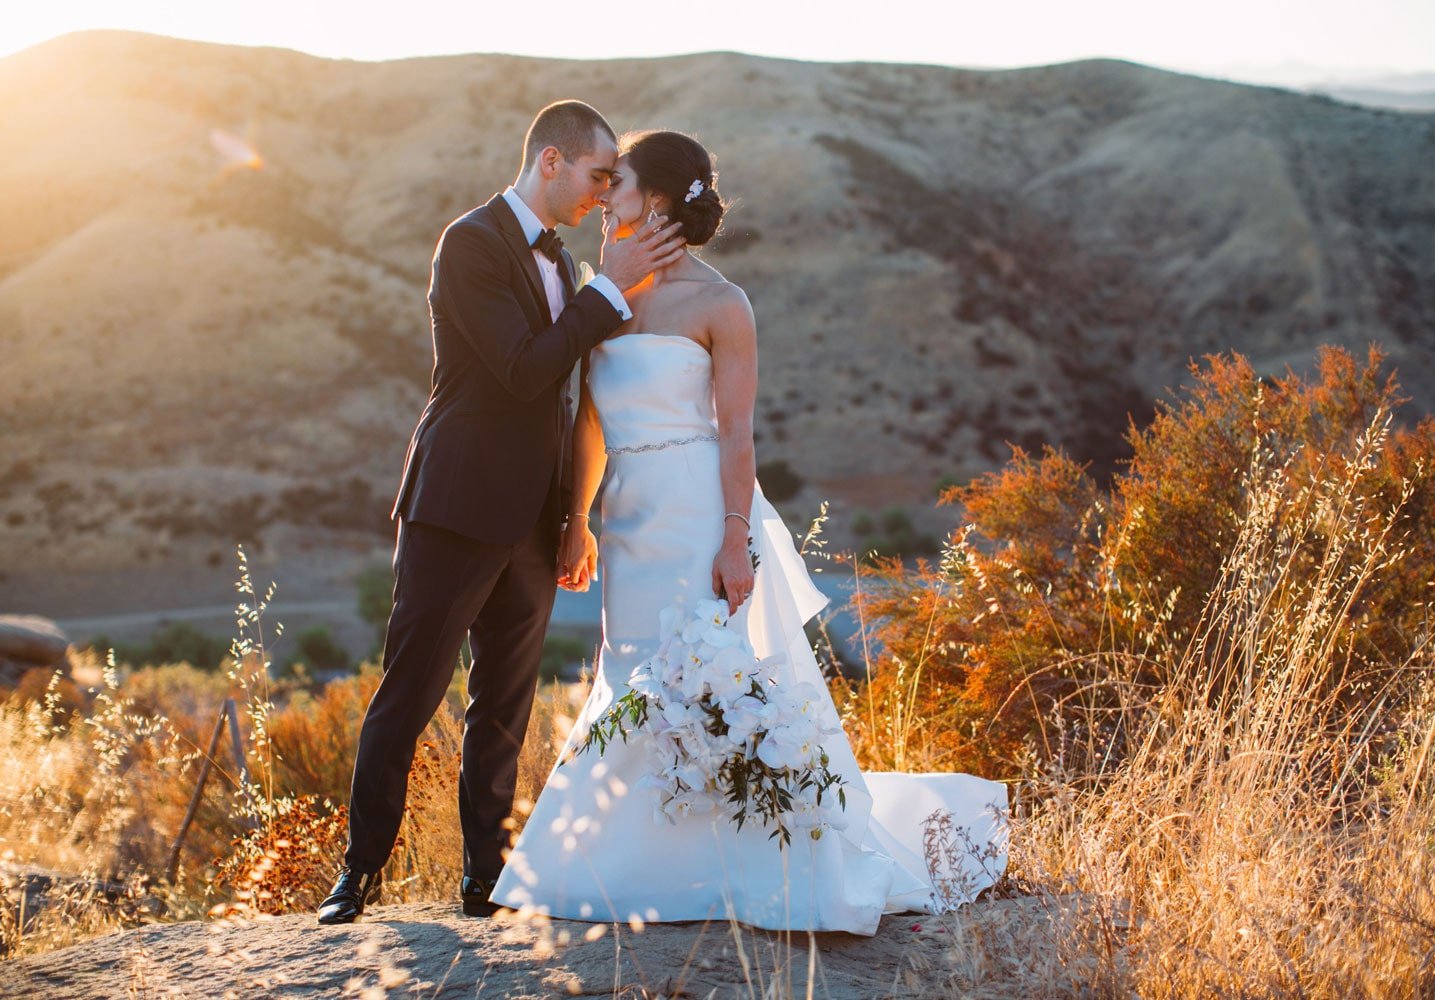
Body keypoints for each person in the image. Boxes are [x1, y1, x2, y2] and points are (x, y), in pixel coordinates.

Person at [491, 130, 1008, 935]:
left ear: (653, 201)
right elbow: (589, 423)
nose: (601, 198)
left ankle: (741, 861)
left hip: (699, 510)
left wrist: (736, 538)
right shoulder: (603, 293)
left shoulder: (721, 304)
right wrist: (578, 522)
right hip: (629, 518)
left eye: (615, 183)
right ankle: (629, 863)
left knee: (709, 672)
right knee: (629, 679)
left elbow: (737, 436)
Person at [317, 101, 687, 925]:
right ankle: (360, 871)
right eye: (597, 175)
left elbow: (573, 400)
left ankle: (486, 878)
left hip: (537, 519)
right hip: (456, 506)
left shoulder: (568, 263)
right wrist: (612, 290)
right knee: (409, 695)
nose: (603, 193)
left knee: (505, 708)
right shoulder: (471, 242)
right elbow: (522, 372)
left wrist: (574, 516)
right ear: (549, 161)